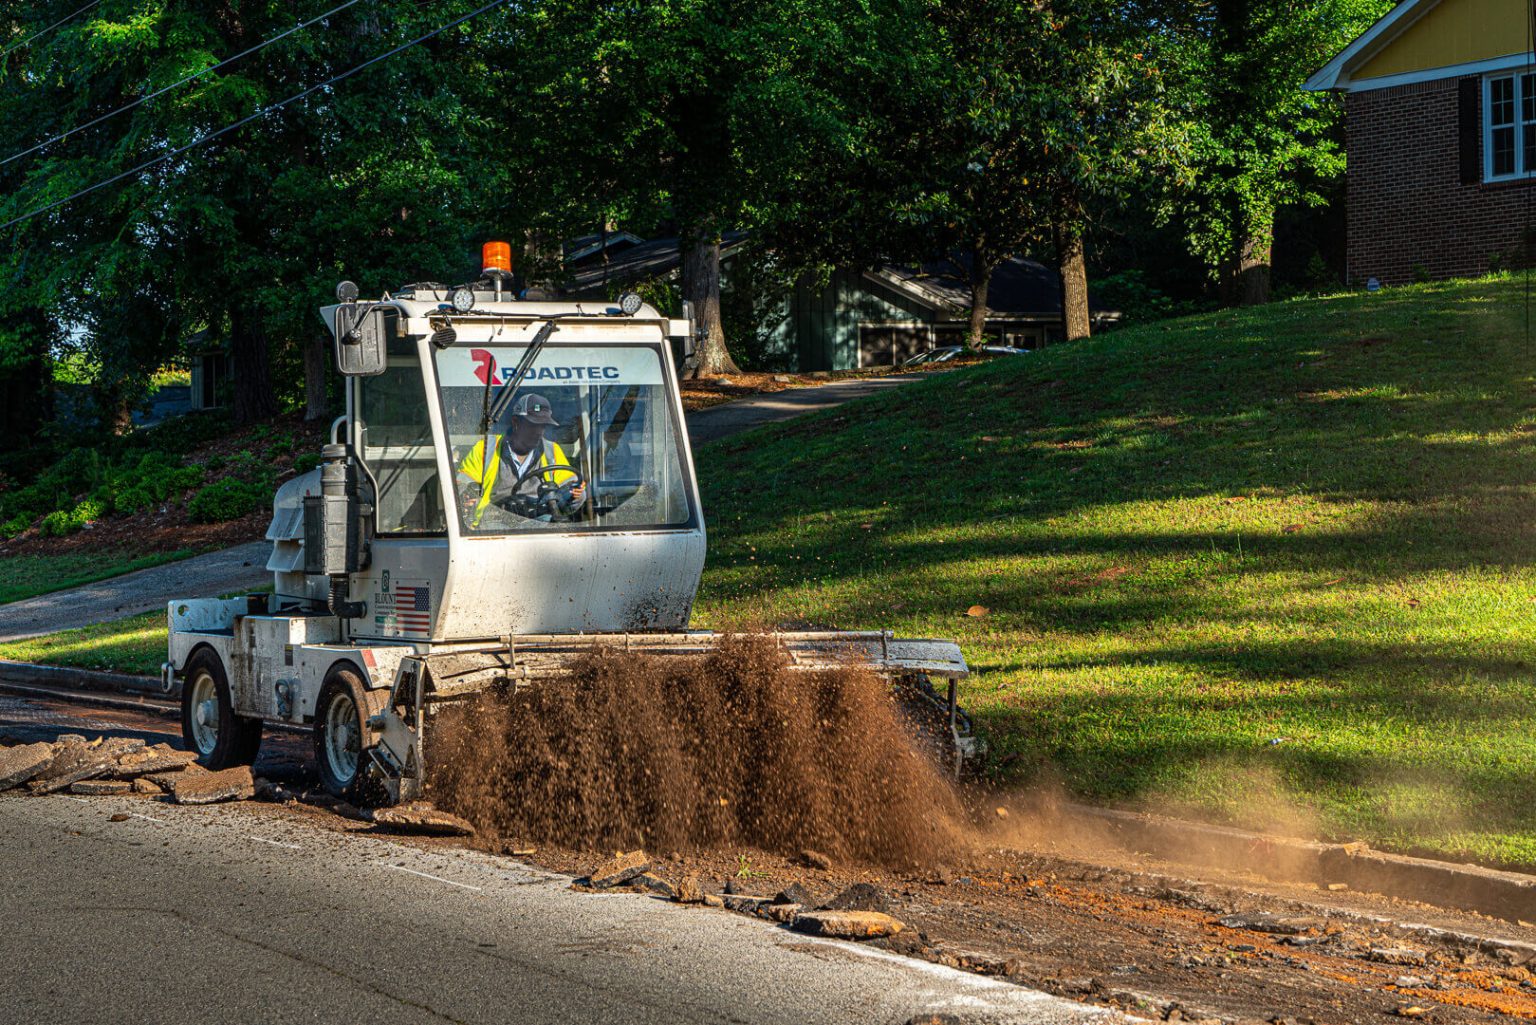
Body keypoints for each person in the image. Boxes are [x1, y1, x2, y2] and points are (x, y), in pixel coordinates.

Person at [456, 392, 586, 527]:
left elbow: (569, 487)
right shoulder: (486, 448)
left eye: (542, 426)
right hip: (493, 524)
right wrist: (466, 495)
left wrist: (574, 494)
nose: (538, 431)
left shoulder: (551, 450)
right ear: (515, 422)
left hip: (539, 525)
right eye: (532, 425)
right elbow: (462, 484)